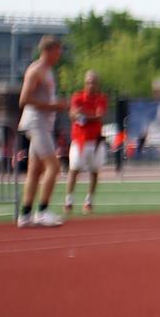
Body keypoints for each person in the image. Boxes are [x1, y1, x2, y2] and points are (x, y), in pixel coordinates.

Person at [16, 37, 70, 228]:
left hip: (43, 124)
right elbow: (24, 99)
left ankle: (25, 214)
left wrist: (57, 104)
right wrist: (53, 105)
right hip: (36, 124)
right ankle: (42, 210)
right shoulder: (36, 70)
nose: (59, 55)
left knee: (35, 170)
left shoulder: (47, 71)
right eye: (58, 51)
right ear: (48, 50)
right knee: (53, 167)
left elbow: (43, 98)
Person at [64, 70, 109, 214]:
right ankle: (69, 201)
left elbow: (99, 116)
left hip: (95, 141)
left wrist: (83, 116)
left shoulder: (101, 98)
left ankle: (89, 201)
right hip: (79, 139)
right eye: (88, 82)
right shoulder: (77, 97)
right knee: (74, 169)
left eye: (93, 82)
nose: (90, 85)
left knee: (94, 171)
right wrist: (84, 116)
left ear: (98, 84)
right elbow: (72, 115)